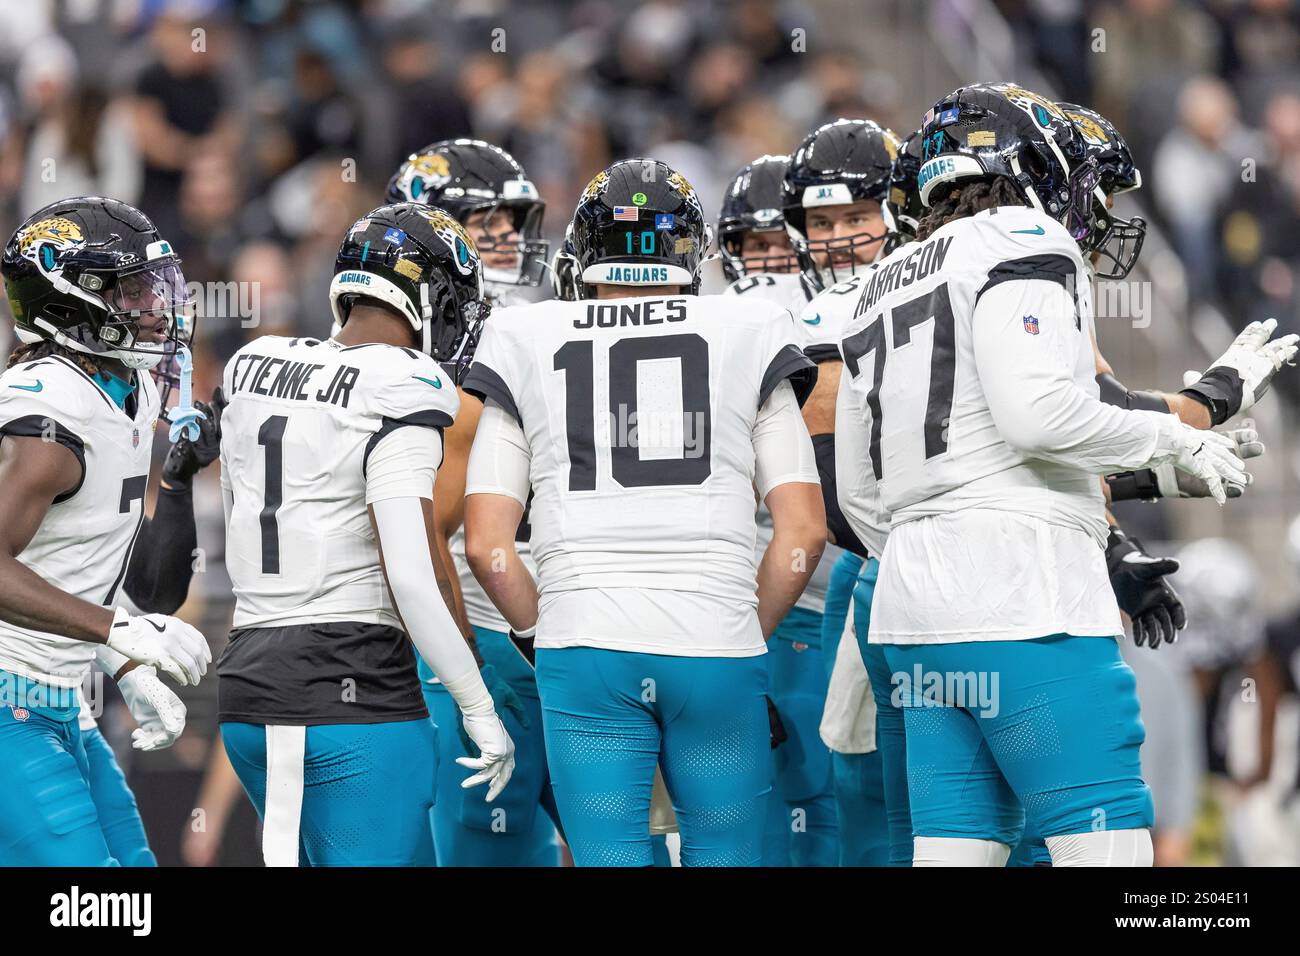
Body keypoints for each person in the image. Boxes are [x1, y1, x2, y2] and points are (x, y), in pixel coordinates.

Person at [835, 82, 1251, 867]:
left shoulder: (878, 282)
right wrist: (1174, 441)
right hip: (1024, 597)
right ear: (1029, 162)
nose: (1083, 201)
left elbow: (858, 491)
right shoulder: (1020, 236)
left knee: (955, 851)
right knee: (1108, 844)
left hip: (918, 616)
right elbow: (1040, 416)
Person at [463, 158, 826, 866]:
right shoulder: (750, 325)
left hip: (585, 642)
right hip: (715, 641)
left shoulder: (524, 335)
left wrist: (545, 631)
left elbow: (488, 548)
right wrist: (742, 627)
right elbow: (804, 532)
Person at [216, 202, 514, 866]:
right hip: (352, 689)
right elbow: (410, 574)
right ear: (429, 296)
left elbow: (240, 520)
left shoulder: (253, 365)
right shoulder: (404, 382)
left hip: (247, 685)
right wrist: (479, 707)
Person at [0, 196, 212, 865]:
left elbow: (133, 581)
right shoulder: (46, 413)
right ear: (69, 302)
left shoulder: (131, 386)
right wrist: (115, 635)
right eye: (130, 291)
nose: (153, 304)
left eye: (153, 285)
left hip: (59, 699)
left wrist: (121, 663)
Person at [385, 137, 561, 866]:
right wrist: (466, 664)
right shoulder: (425, 364)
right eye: (481, 225)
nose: (505, 241)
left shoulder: (536, 323)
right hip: (488, 629)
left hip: (566, 621)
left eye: (510, 224)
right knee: (491, 845)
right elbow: (424, 533)